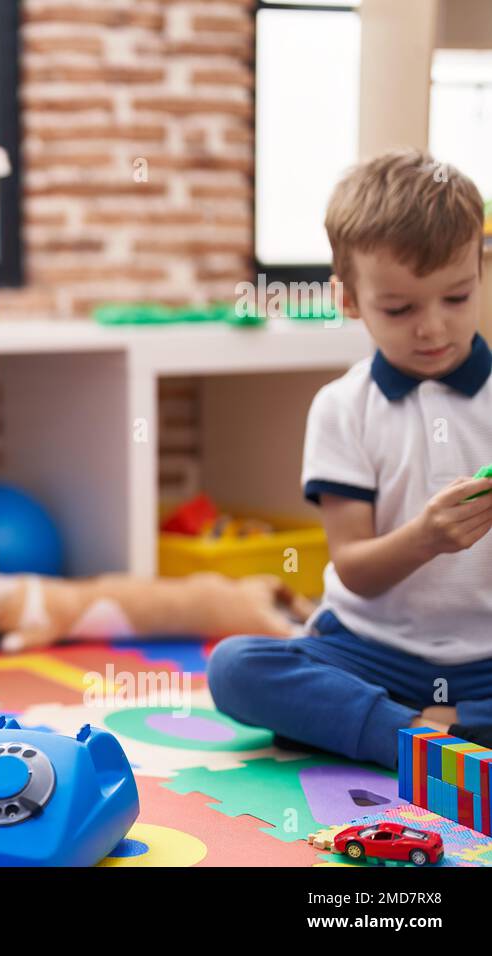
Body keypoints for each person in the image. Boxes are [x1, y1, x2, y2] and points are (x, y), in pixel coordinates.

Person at [208, 148, 492, 768]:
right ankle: (431, 736)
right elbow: (356, 568)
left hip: (485, 662)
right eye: (400, 309)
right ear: (349, 299)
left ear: (482, 271)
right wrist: (426, 537)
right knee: (234, 668)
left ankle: (410, 729)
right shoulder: (342, 407)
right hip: (369, 650)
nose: (434, 329)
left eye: (457, 297)